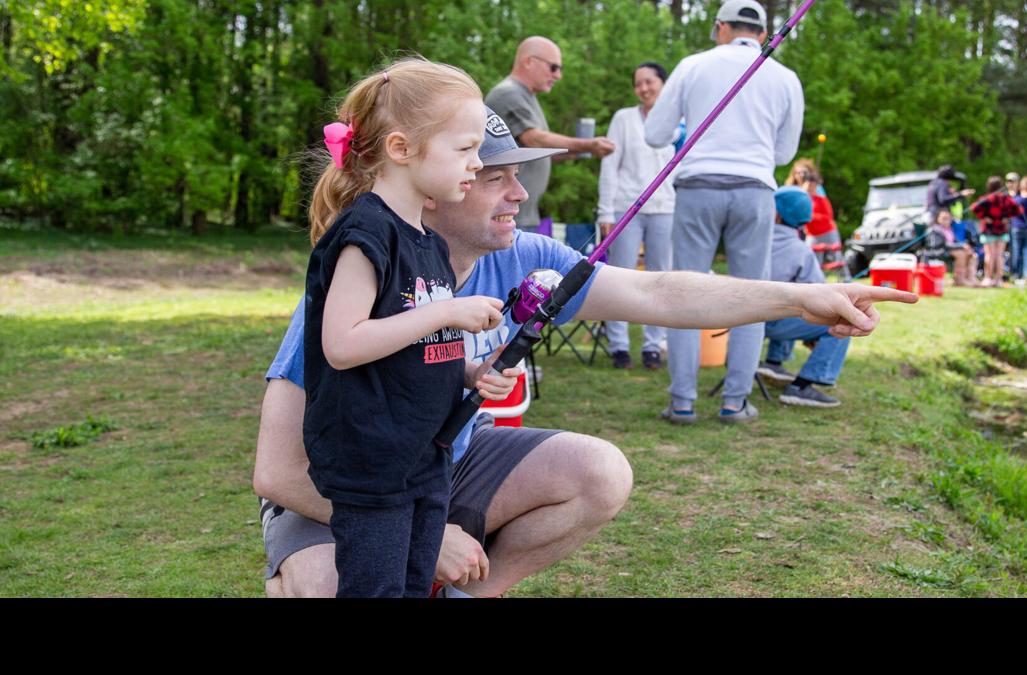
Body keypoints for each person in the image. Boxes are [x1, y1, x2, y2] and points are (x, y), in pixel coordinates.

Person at [256, 109, 917, 598]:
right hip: (339, 486)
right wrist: (423, 539)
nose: (520, 194)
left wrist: (801, 298)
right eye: (495, 177)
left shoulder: (524, 257)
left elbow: (660, 291)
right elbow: (278, 471)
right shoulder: (360, 272)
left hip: (440, 465)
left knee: (600, 471)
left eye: (520, 176)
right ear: (433, 185)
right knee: (323, 588)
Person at [300, 58, 507, 597]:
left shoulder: (429, 243)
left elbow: (412, 346)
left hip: (422, 457)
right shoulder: (366, 232)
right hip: (372, 463)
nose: (476, 163)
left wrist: (468, 372)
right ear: (400, 149)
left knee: (416, 587)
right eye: (465, 150)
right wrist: (445, 312)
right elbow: (343, 345)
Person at [645, 0, 804, 425]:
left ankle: (682, 402)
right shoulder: (785, 76)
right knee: (753, 296)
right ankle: (735, 402)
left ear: (721, 27)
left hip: (698, 187)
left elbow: (654, 133)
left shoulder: (693, 65)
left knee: (684, 293)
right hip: (754, 189)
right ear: (760, 31)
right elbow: (785, 152)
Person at [485, 37, 616, 230]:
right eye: (554, 67)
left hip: (521, 213)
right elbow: (534, 139)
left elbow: (532, 153)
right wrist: (588, 144)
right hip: (507, 214)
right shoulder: (508, 93)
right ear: (529, 61)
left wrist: (574, 153)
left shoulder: (527, 96)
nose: (558, 75)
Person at [597, 60, 676, 370]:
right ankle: (618, 345)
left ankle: (653, 345)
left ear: (663, 84)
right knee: (619, 277)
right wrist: (606, 210)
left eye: (649, 82)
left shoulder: (677, 119)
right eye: (638, 83)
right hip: (626, 208)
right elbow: (610, 166)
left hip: (666, 210)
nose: (643, 88)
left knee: (662, 277)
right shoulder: (624, 119)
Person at [756, 187, 850, 407]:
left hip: (738, 317)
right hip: (770, 322)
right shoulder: (801, 250)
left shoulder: (753, 240)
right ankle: (802, 386)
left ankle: (773, 362)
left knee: (788, 297)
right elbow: (818, 293)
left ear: (776, 214)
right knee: (841, 324)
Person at [969, 176, 1022, 288]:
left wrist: (983, 217)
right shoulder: (1005, 199)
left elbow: (974, 208)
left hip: (989, 229)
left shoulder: (987, 198)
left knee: (990, 254)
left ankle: (988, 278)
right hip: (1001, 229)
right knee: (999, 255)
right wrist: (1007, 217)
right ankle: (998, 280)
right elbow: (1018, 210)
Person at [925, 208, 974, 288]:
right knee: (961, 254)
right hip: (938, 251)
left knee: (972, 254)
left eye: (948, 218)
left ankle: (970, 278)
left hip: (949, 250)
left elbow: (954, 242)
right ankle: (959, 279)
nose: (946, 221)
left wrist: (964, 246)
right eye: (944, 218)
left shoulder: (950, 229)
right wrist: (961, 246)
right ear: (938, 219)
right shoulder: (935, 230)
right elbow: (942, 245)